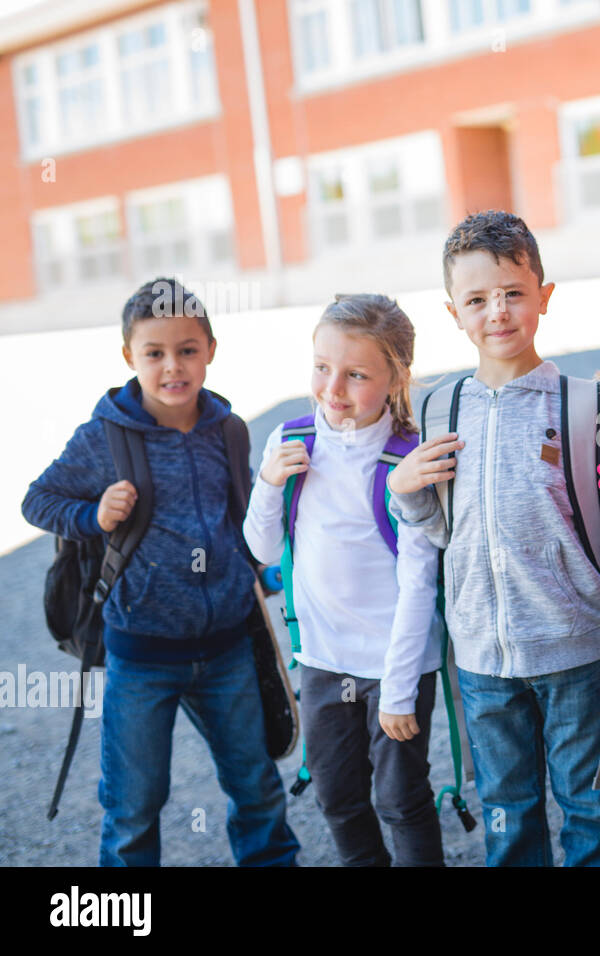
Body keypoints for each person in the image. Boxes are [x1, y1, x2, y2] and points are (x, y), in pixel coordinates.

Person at [386, 210, 600, 867]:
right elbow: (436, 533)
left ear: (544, 296)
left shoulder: (584, 404)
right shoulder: (437, 409)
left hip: (579, 653)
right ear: (453, 312)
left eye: (512, 293)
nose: (497, 312)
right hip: (482, 662)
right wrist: (407, 492)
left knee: (590, 808)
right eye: (477, 300)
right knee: (508, 819)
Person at [22, 277, 299, 867]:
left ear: (210, 350)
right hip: (141, 657)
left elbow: (240, 518)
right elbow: (37, 500)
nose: (173, 366)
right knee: (133, 805)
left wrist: (271, 573)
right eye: (154, 353)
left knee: (256, 788)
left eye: (187, 350)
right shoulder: (104, 438)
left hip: (228, 649)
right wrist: (91, 515)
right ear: (130, 357)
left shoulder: (228, 429)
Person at [242, 293, 445, 867]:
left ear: (395, 377)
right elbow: (260, 551)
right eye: (322, 367)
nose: (332, 389)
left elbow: (417, 588)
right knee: (337, 797)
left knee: (401, 800)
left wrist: (400, 688)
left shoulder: (403, 462)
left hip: (395, 665)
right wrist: (267, 484)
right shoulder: (292, 441)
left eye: (355, 375)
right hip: (323, 663)